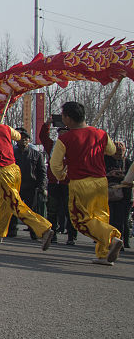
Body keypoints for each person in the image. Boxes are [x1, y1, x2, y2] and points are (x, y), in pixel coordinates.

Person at [49, 101, 123, 264]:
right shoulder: (100, 133)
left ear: (68, 118)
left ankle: (111, 236)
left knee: (80, 220)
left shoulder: (65, 138)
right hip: (101, 182)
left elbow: (55, 164)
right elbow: (111, 150)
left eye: (63, 116)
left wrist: (61, 176)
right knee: (100, 217)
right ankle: (103, 254)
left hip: (80, 182)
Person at [0, 103, 52, 247]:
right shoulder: (4, 128)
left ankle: (43, 228)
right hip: (14, 170)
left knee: (15, 204)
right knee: (5, 202)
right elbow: (18, 136)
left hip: (1, 172)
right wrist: (3, 130)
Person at [40, 121, 77, 245]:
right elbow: (43, 137)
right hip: (53, 183)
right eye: (60, 133)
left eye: (65, 133)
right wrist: (48, 124)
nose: (62, 135)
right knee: (52, 210)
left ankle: (71, 236)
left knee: (69, 210)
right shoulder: (52, 145)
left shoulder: (74, 147)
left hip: (67, 184)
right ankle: (52, 234)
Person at [13, 127, 47, 237]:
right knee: (13, 209)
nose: (23, 140)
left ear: (29, 140)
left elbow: (42, 173)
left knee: (32, 211)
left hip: (31, 186)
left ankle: (35, 232)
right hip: (15, 186)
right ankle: (11, 230)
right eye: (21, 138)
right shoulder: (11, 153)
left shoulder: (37, 155)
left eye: (26, 138)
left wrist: (42, 186)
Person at [106, 142, 131, 249]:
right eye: (116, 152)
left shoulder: (128, 162)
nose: (118, 155)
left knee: (122, 220)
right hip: (109, 192)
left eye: (121, 153)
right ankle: (109, 240)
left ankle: (121, 241)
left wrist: (124, 176)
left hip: (124, 194)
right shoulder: (105, 160)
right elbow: (99, 173)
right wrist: (109, 174)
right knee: (110, 219)